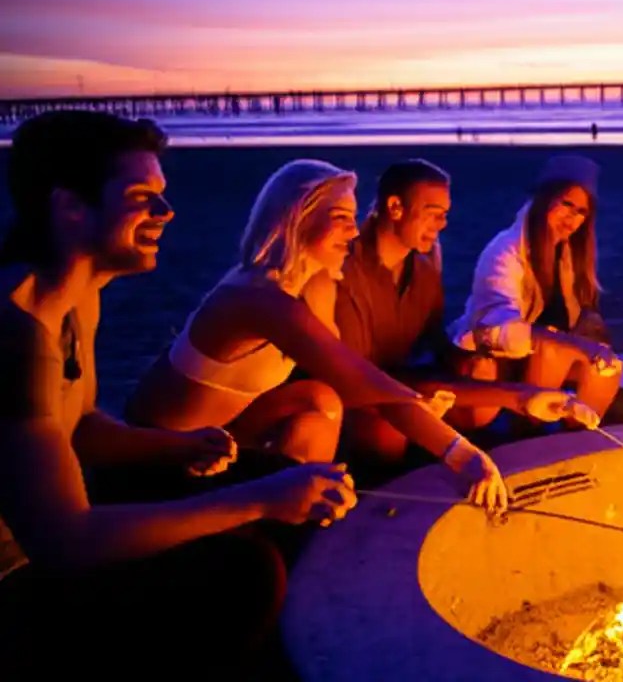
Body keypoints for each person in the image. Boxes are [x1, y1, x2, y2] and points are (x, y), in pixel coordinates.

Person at [0, 111, 357, 678]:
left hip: (70, 511)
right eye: (143, 197)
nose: (167, 213)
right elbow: (63, 542)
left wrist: (177, 447)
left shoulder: (78, 295)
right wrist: (261, 500)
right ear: (71, 207)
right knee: (249, 566)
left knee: (277, 485)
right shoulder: (18, 331)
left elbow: (80, 426)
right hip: (17, 581)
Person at [125, 158, 507, 511]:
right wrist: (466, 456)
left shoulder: (316, 283)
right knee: (328, 414)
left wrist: (417, 407)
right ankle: (289, 522)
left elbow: (347, 379)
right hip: (159, 456)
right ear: (297, 219)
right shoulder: (260, 298)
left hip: (221, 436)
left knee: (319, 399)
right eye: (340, 218)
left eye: (354, 218)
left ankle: (297, 513)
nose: (354, 231)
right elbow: (358, 380)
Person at [319, 159, 601, 470]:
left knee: (472, 372)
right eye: (433, 214)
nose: (442, 224)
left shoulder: (423, 270)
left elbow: (433, 346)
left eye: (445, 215)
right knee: (387, 427)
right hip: (360, 399)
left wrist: (471, 367)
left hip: (410, 385)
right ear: (395, 207)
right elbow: (366, 379)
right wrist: (516, 394)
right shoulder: (345, 273)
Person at [449, 154, 621, 423]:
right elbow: (495, 328)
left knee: (606, 368)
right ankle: (529, 434)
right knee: (553, 350)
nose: (572, 218)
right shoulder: (505, 251)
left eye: (581, 212)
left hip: (536, 362)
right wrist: (569, 342)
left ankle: (578, 440)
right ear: (544, 200)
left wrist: (591, 334)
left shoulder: (568, 256)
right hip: (489, 358)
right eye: (566, 204)